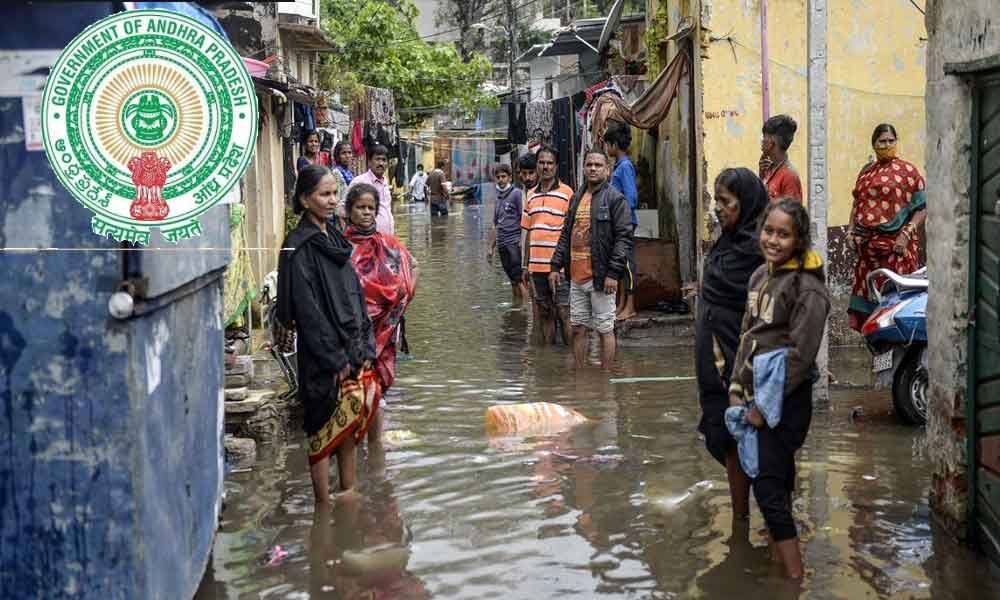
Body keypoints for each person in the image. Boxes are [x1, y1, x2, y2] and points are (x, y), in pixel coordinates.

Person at [728, 198, 831, 579]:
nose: (773, 240)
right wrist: (736, 385)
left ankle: (793, 580)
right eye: (768, 231)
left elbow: (801, 358)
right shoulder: (760, 276)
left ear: (798, 239)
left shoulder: (808, 288)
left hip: (787, 401)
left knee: (769, 490)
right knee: (780, 482)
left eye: (783, 234)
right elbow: (748, 335)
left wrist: (762, 407)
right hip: (755, 394)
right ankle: (777, 566)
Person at [275, 165, 377, 503]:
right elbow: (307, 311)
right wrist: (334, 358)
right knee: (320, 427)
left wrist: (363, 346)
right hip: (321, 356)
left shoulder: (335, 239)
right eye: (324, 194)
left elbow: (354, 294)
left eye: (335, 194)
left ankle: (348, 493)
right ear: (305, 200)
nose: (332, 200)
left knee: (348, 425)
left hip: (351, 347)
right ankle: (322, 508)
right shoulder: (297, 246)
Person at [695, 168, 768, 528]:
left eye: (726, 202)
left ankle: (766, 528)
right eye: (717, 201)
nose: (718, 209)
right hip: (716, 365)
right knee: (727, 439)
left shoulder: (758, 252)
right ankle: (740, 526)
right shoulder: (727, 242)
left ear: (747, 203)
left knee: (748, 442)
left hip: (738, 369)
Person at [342, 183, 418, 443]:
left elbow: (413, 267)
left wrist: (404, 298)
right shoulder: (339, 247)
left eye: (370, 208)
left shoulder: (389, 244)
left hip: (384, 328)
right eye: (360, 207)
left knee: (377, 386)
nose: (366, 212)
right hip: (350, 329)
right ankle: (355, 443)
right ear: (349, 211)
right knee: (352, 385)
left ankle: (375, 450)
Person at [550, 150, 632, 369]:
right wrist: (555, 266)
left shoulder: (615, 199)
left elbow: (623, 238)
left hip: (601, 277)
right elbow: (566, 234)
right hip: (576, 277)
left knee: (605, 328)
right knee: (578, 328)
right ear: (584, 168)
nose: (593, 169)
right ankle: (580, 375)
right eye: (589, 165)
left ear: (607, 170)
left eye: (598, 165)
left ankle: (605, 378)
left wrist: (613, 273)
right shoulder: (576, 197)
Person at [848, 123, 927, 331]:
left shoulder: (908, 171)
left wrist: (906, 234)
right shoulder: (866, 173)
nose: (887, 145)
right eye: (882, 141)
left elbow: (922, 208)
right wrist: (850, 231)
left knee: (895, 305)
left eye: (891, 141)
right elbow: (857, 204)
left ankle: (898, 346)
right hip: (867, 252)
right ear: (874, 144)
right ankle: (874, 347)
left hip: (895, 250)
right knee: (867, 312)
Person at [521, 145, 574, 345]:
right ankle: (548, 358)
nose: (545, 167)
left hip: (559, 267)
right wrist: (525, 265)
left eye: (549, 163)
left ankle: (572, 357)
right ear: (537, 165)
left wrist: (563, 265)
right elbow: (529, 232)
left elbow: (570, 233)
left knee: (564, 311)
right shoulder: (530, 195)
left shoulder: (567, 193)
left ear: (556, 166)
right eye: (542, 163)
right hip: (536, 267)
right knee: (545, 312)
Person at [604, 123, 639, 321]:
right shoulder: (618, 166)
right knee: (621, 264)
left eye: (607, 144)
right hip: (618, 223)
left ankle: (630, 306)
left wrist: (619, 213)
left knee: (627, 264)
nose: (606, 148)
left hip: (624, 223)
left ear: (614, 145)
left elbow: (631, 198)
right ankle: (622, 304)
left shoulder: (625, 167)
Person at [488, 164, 529, 306]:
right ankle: (516, 307)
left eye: (503, 176)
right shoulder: (498, 197)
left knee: (520, 279)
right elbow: (495, 224)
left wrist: (522, 242)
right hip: (502, 244)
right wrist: (491, 248)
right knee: (512, 280)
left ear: (510, 177)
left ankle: (525, 309)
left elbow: (524, 218)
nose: (501, 180)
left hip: (514, 242)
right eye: (498, 177)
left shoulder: (516, 194)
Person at [344, 144, 395, 235]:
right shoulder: (359, 181)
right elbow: (343, 208)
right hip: (367, 238)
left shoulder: (385, 182)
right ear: (369, 162)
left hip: (387, 238)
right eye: (377, 159)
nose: (381, 163)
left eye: (384, 160)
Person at [758, 115, 803, 202]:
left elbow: (792, 209)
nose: (762, 140)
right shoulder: (768, 168)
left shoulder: (789, 176)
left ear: (772, 141)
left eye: (764, 136)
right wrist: (761, 175)